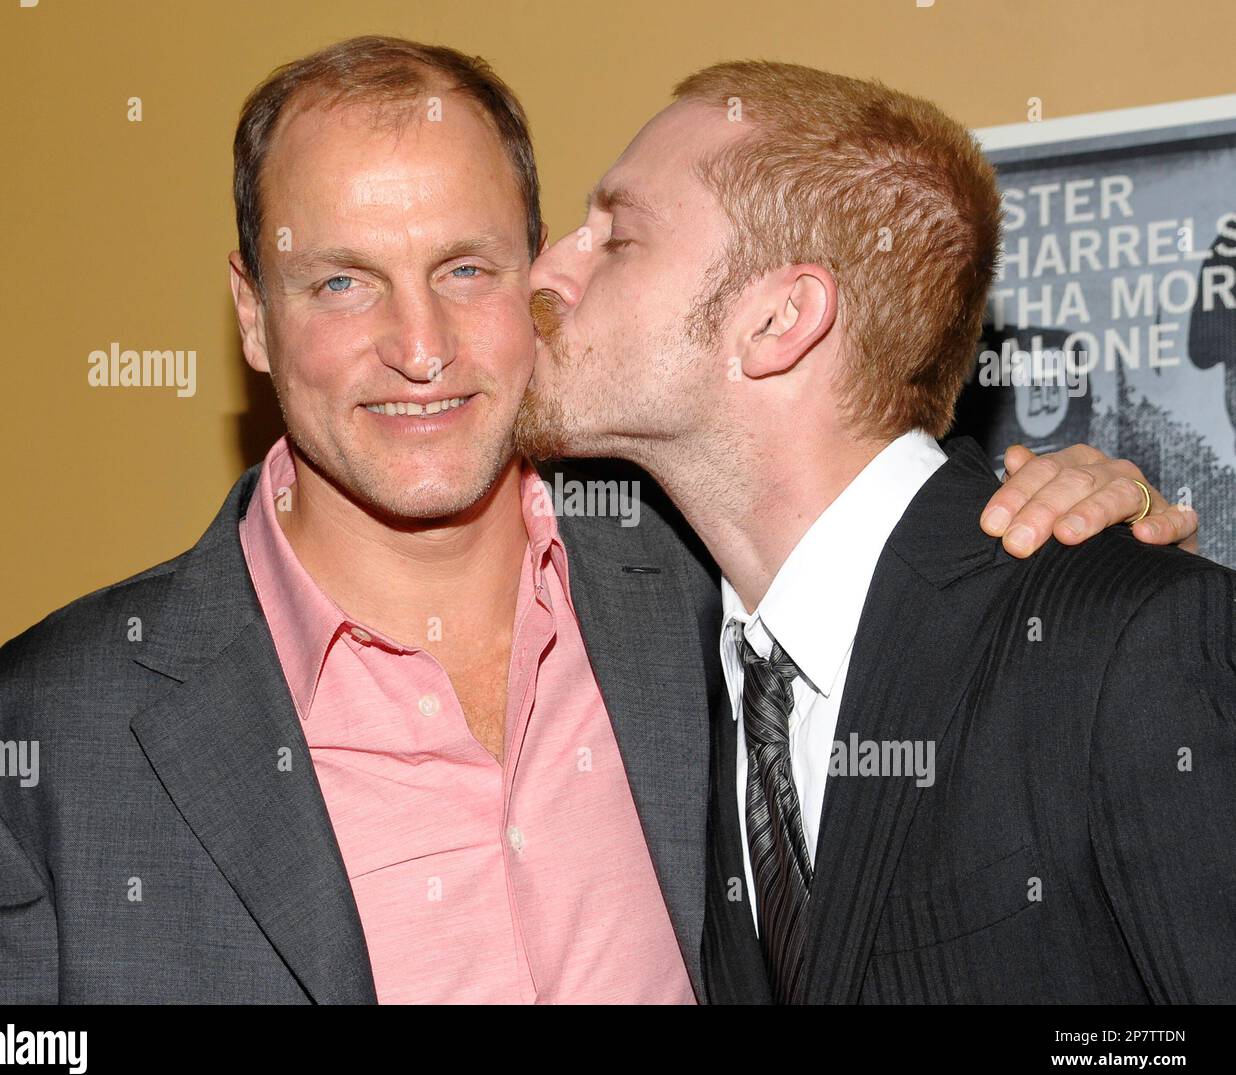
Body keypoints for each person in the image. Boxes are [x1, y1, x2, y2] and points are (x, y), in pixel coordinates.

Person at [0, 39, 1195, 1005]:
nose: (419, 349)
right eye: (339, 281)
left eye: (467, 268)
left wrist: (1072, 515)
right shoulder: (33, 755)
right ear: (253, 315)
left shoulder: (713, 601)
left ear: (533, 271)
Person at [518, 59, 1235, 1004]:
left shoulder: (1131, 640)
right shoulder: (665, 654)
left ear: (780, 319)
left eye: (617, 238)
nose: (546, 272)